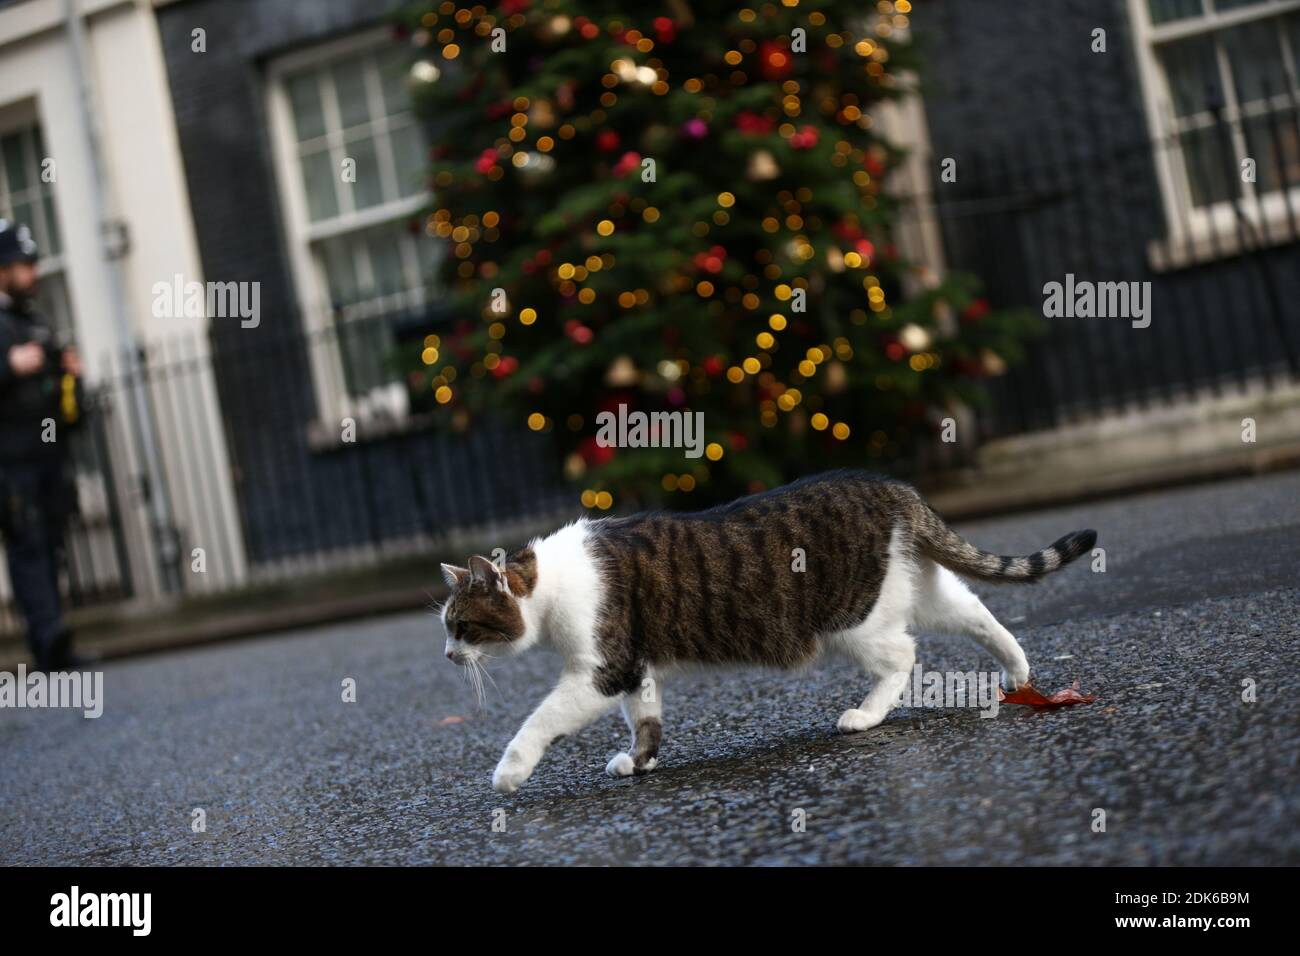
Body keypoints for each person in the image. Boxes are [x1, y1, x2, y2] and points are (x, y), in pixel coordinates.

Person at [0, 218, 88, 671]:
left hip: (47, 456)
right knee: (29, 544)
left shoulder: (33, 321)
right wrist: (9, 366)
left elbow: (66, 404)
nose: (32, 273)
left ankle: (56, 638)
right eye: (21, 264)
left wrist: (69, 375)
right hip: (10, 463)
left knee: (50, 543)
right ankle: (47, 639)